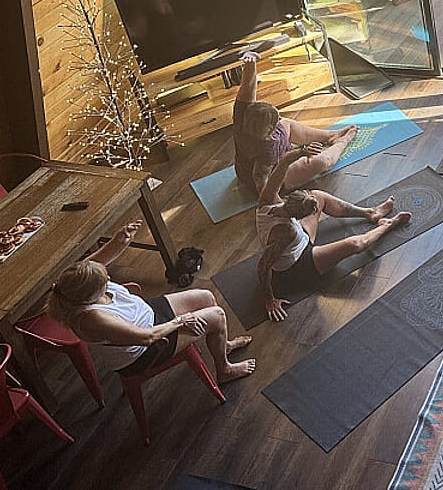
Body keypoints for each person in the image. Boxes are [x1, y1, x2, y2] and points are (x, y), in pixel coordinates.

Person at [47, 221, 256, 384]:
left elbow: (103, 257)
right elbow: (147, 337)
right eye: (104, 283)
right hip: (143, 352)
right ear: (88, 297)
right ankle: (224, 370)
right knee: (217, 315)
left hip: (148, 315)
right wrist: (181, 321)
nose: (108, 280)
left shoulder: (79, 277)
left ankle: (223, 345)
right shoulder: (93, 317)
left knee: (206, 297)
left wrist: (121, 238)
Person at [257, 147, 412, 322]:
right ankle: (388, 225)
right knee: (355, 245)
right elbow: (263, 266)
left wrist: (301, 151)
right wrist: (269, 299)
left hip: (298, 239)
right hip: (298, 265)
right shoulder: (286, 232)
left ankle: (370, 213)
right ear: (297, 217)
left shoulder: (268, 198)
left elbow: (284, 162)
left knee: (317, 195)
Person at [233, 51, 358, 193]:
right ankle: (342, 142)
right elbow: (260, 180)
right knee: (320, 162)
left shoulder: (242, 115)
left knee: (286, 124)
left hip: (252, 163)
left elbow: (248, 88)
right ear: (269, 131)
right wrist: (270, 201)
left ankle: (330, 135)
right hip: (276, 176)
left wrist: (250, 63)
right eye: (275, 122)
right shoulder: (267, 152)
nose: (278, 120)